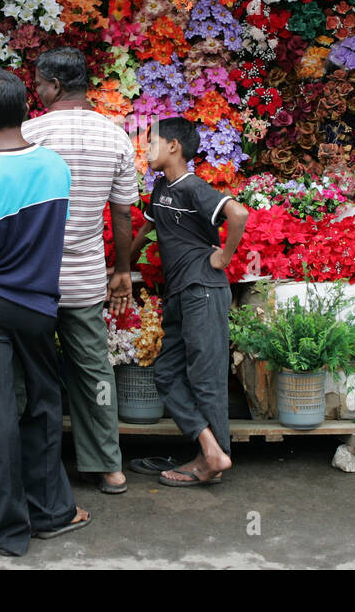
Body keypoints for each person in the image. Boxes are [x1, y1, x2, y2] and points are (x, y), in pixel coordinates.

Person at [0, 68, 89, 556]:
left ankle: (7, 527)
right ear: (29, 110)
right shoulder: (55, 167)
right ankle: (53, 511)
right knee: (44, 404)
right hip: (40, 307)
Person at [22, 47, 137, 495]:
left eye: (39, 82)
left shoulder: (30, 133)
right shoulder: (116, 137)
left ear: (54, 85)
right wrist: (122, 268)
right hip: (86, 279)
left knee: (30, 370)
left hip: (32, 279)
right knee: (93, 371)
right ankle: (109, 466)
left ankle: (36, 465)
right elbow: (123, 215)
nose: (36, 89)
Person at [128, 117, 250, 487]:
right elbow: (148, 230)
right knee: (166, 374)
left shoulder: (193, 187)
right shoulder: (162, 188)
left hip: (204, 291)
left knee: (206, 378)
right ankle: (209, 447)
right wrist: (119, 269)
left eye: (152, 143)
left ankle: (211, 461)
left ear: (174, 147)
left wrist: (224, 257)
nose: (146, 151)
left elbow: (238, 214)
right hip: (180, 295)